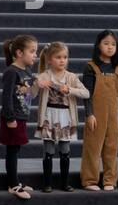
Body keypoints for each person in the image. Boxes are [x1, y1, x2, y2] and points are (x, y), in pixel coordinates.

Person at [35, 41, 89, 193]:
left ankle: (65, 183)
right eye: (58, 57)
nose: (62, 60)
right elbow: (31, 93)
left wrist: (70, 90)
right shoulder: (44, 75)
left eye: (65, 57)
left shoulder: (71, 77)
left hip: (65, 116)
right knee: (48, 151)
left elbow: (86, 93)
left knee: (65, 151)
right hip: (48, 116)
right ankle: (47, 183)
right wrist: (37, 83)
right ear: (49, 59)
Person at [81, 29, 118, 191]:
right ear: (98, 45)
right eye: (106, 43)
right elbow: (87, 94)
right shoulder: (91, 67)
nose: (110, 47)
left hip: (113, 115)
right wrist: (89, 114)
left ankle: (110, 180)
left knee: (111, 147)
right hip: (96, 114)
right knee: (93, 147)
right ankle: (90, 180)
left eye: (113, 44)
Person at [0, 34, 48, 200]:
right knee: (12, 150)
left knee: (16, 149)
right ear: (19, 53)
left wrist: (37, 83)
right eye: (32, 51)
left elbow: (28, 89)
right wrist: (10, 117)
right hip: (13, 117)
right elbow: (6, 97)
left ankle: (15, 181)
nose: (35, 54)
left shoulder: (26, 70)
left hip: (21, 115)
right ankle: (13, 185)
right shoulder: (11, 72)